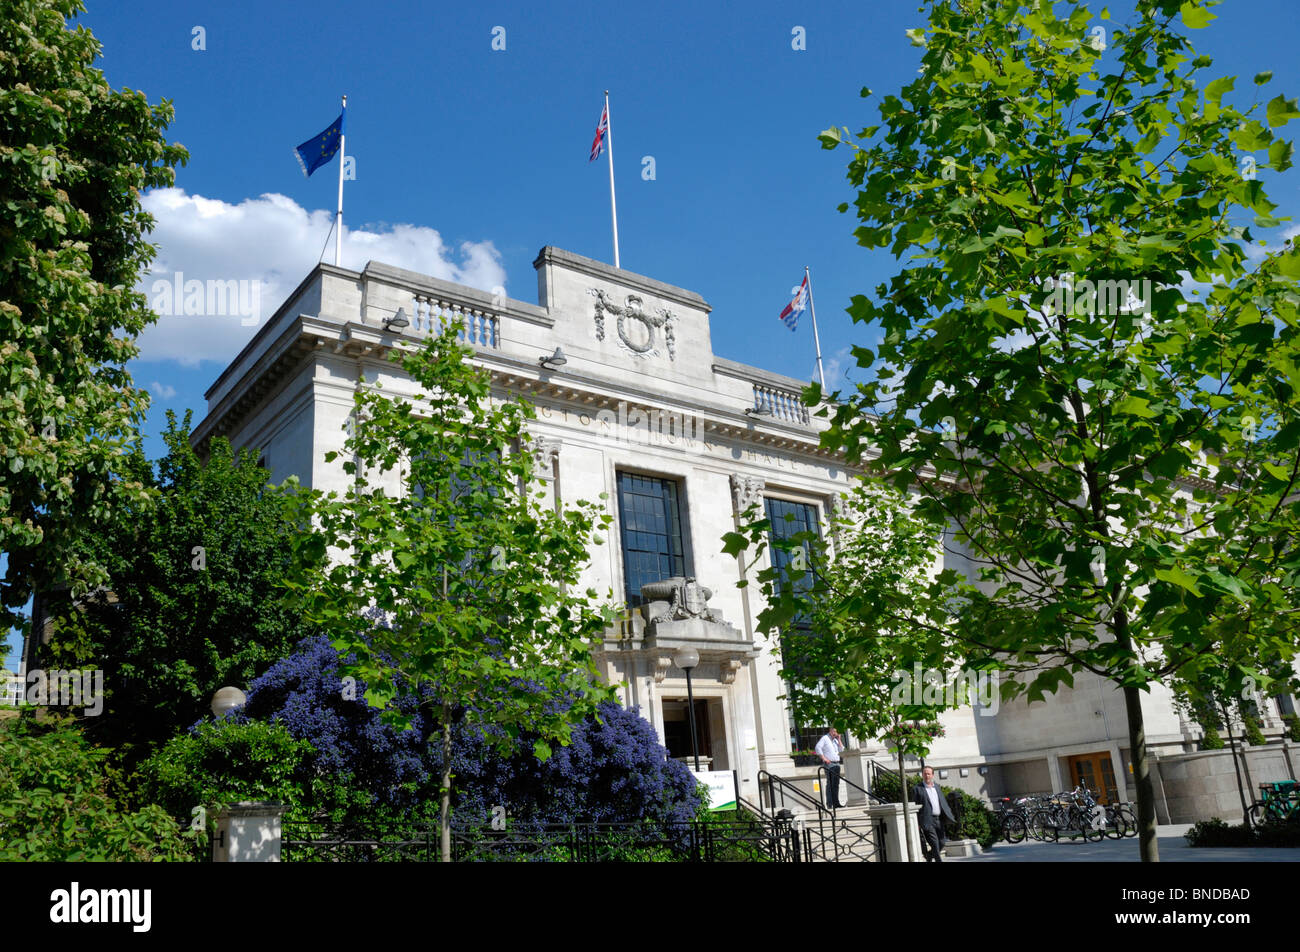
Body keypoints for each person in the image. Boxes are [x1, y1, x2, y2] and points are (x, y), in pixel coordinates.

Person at [911, 764, 955, 862]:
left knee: (942, 842)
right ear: (922, 775)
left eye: (929, 774)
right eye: (925, 774)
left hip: (939, 819)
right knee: (934, 843)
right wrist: (917, 822)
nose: (927, 776)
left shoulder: (937, 787)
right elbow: (914, 807)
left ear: (933, 775)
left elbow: (942, 802)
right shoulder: (917, 789)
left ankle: (929, 856)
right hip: (927, 820)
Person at [814, 727, 844, 809]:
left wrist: (839, 740)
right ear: (830, 731)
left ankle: (836, 803)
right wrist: (824, 758)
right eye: (834, 731)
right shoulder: (825, 738)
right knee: (830, 784)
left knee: (836, 784)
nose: (835, 733)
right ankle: (830, 804)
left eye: (836, 731)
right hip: (829, 764)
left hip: (837, 764)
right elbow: (817, 748)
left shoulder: (836, 740)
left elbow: (842, 750)